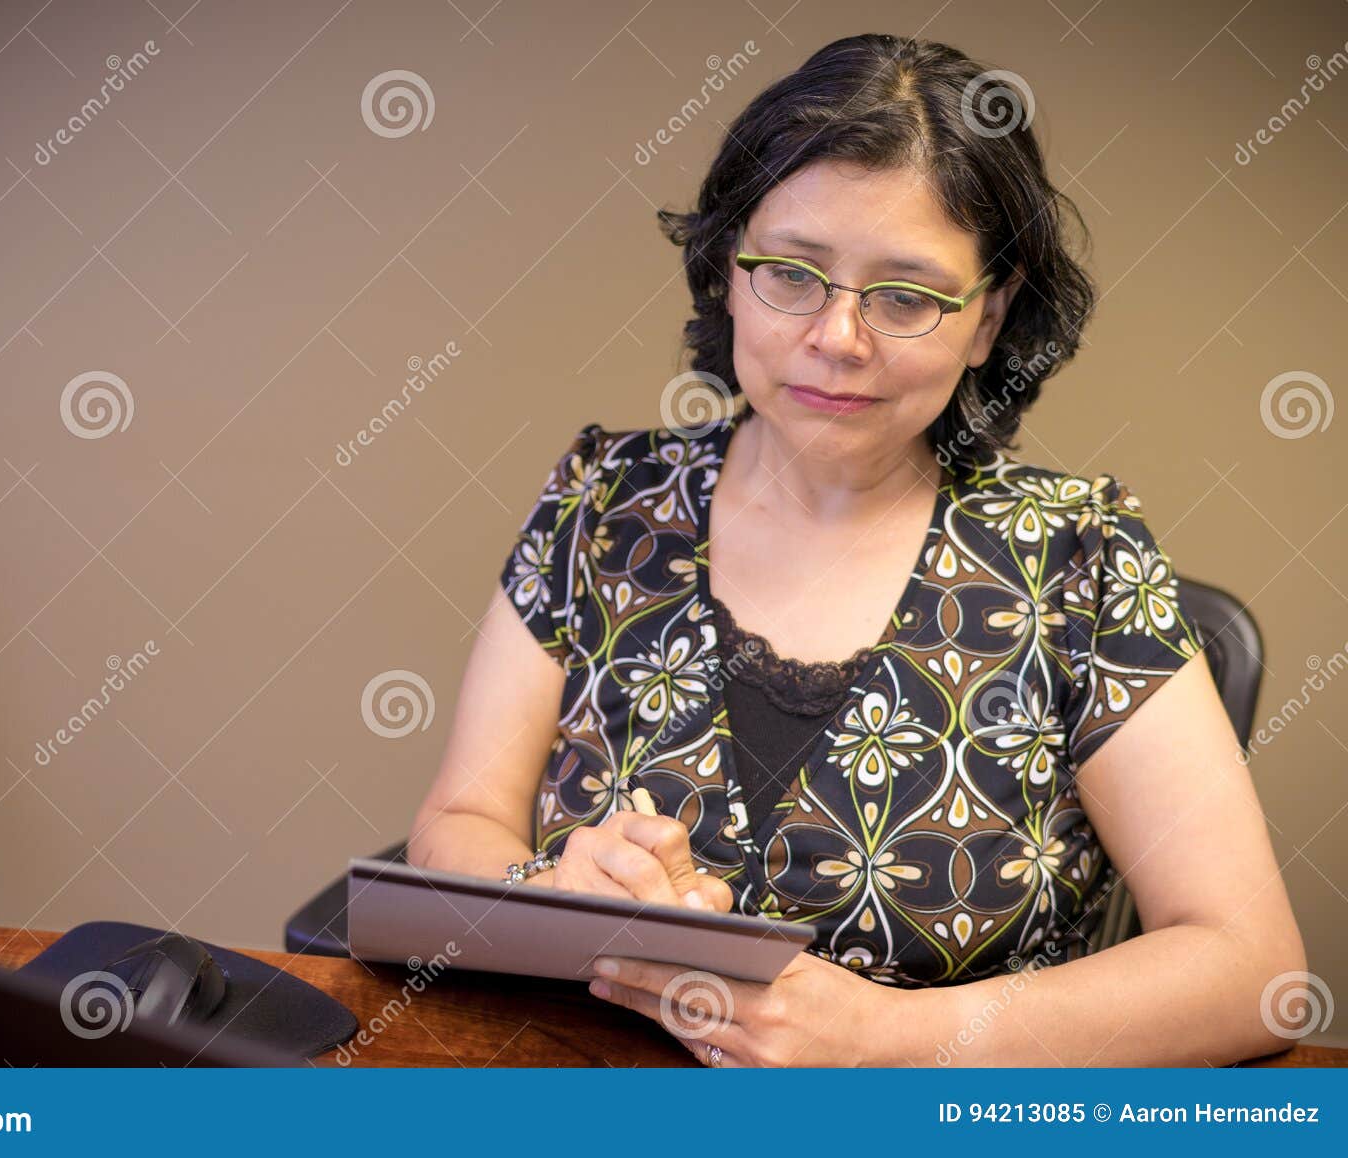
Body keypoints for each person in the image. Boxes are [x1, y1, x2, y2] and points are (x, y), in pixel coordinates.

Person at [408, 32, 1307, 1067]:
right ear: (727, 273)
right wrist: (550, 889)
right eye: (792, 273)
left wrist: (887, 1037)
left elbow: (1252, 972)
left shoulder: (1080, 558)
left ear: (988, 318)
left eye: (906, 294)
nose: (838, 336)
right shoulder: (604, 497)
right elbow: (460, 822)